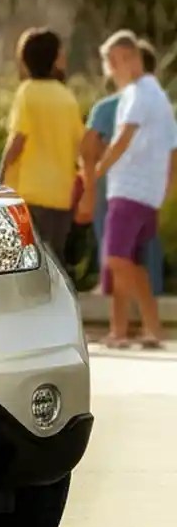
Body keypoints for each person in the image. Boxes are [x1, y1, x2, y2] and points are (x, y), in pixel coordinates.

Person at [93, 30, 175, 349]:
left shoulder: (139, 94)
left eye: (115, 62)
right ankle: (144, 328)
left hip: (129, 189)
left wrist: (99, 168)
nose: (112, 70)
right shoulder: (157, 95)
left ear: (132, 58)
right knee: (132, 263)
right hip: (146, 193)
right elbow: (173, 149)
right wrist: (165, 188)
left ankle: (123, 331)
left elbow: (123, 138)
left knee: (115, 258)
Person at [0, 28, 92, 263]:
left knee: (27, 259)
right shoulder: (67, 97)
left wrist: (0, 176)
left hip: (30, 193)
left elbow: (18, 140)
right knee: (54, 257)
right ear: (55, 59)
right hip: (61, 196)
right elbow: (82, 147)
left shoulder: (27, 93)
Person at [85, 40, 166, 297]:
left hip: (113, 189)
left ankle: (112, 292)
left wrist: (90, 180)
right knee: (147, 243)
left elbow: (89, 150)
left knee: (112, 241)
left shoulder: (106, 108)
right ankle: (150, 294)